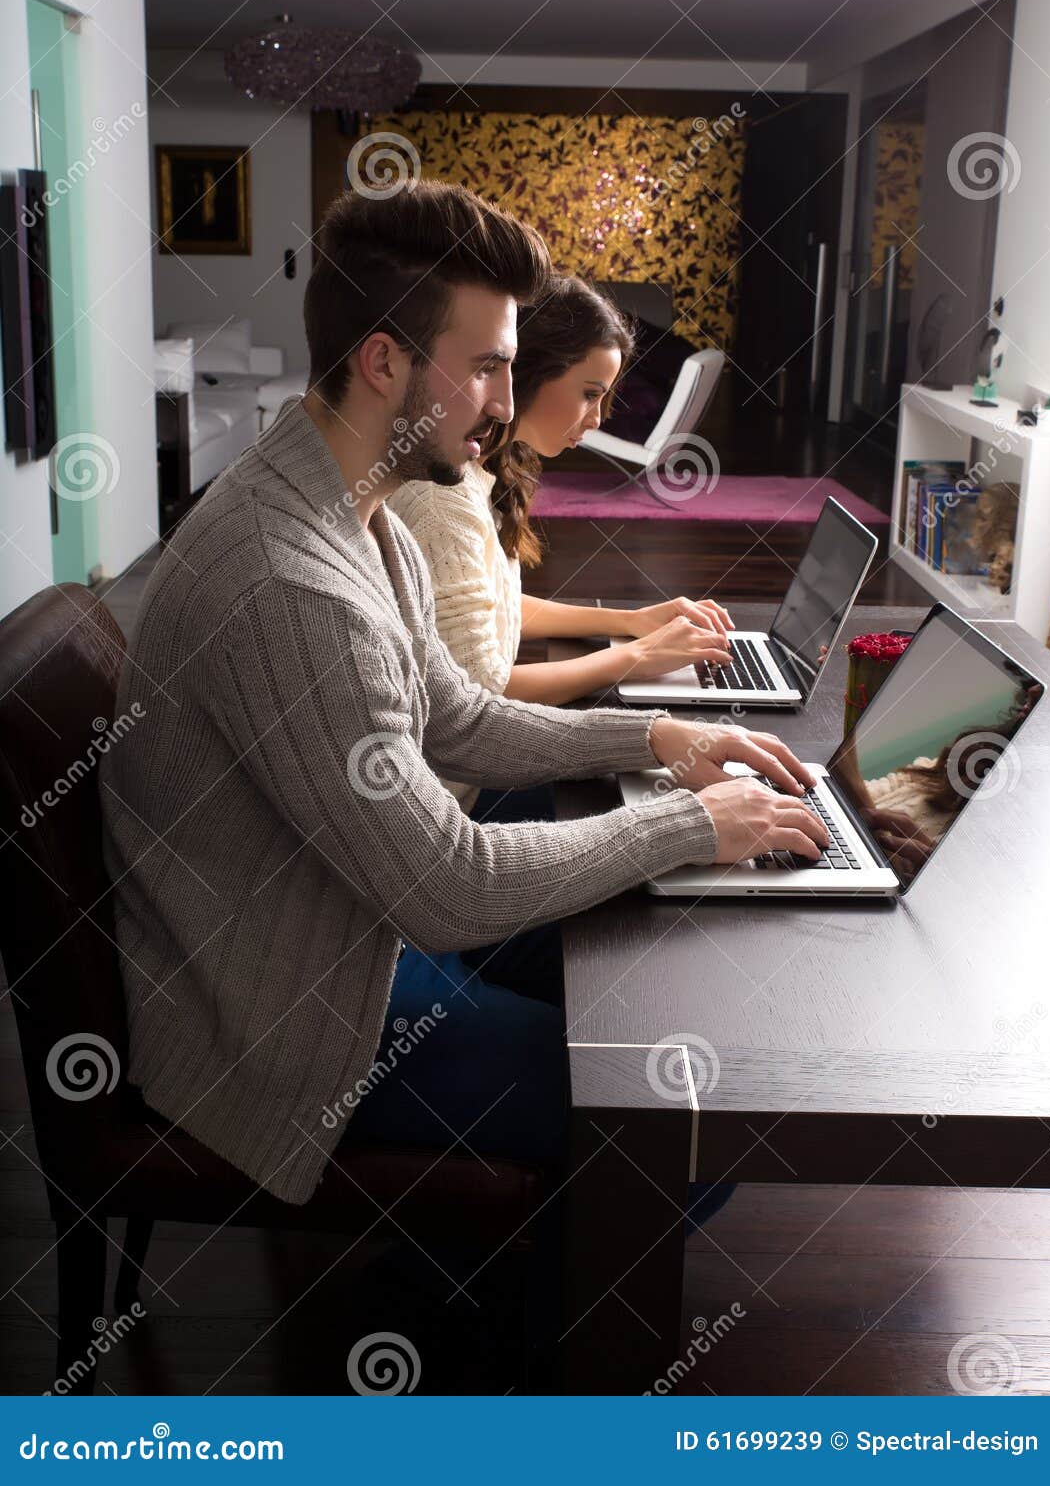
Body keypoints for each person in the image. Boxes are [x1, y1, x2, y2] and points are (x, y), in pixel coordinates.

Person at [99, 180, 827, 1247]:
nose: (503, 396)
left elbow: (455, 717)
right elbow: (447, 887)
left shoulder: (357, 506)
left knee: (654, 954)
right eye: (486, 364)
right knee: (682, 1123)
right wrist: (691, 818)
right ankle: (537, 1383)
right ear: (383, 361)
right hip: (296, 1024)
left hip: (353, 930)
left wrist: (660, 738)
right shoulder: (290, 582)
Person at [389, 276, 735, 802]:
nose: (596, 420)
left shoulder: (482, 471)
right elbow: (483, 695)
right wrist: (638, 655)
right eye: (589, 394)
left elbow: (489, 608)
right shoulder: (443, 500)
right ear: (530, 370)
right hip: (453, 798)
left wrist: (630, 622)